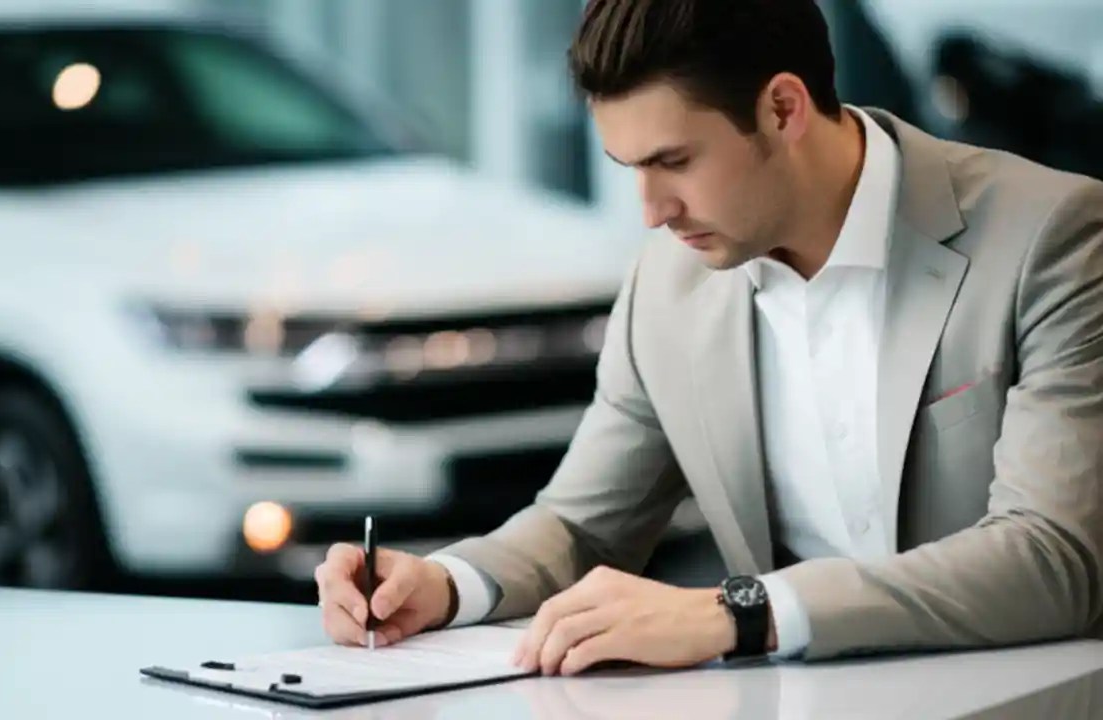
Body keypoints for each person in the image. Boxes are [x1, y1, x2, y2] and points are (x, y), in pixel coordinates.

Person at [313, 0, 1103, 676]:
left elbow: (1052, 559)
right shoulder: (666, 287)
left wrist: (739, 612)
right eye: (630, 168)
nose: (652, 210)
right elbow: (582, 526)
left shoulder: (1053, 237)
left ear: (784, 109)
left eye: (674, 161)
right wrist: (444, 586)